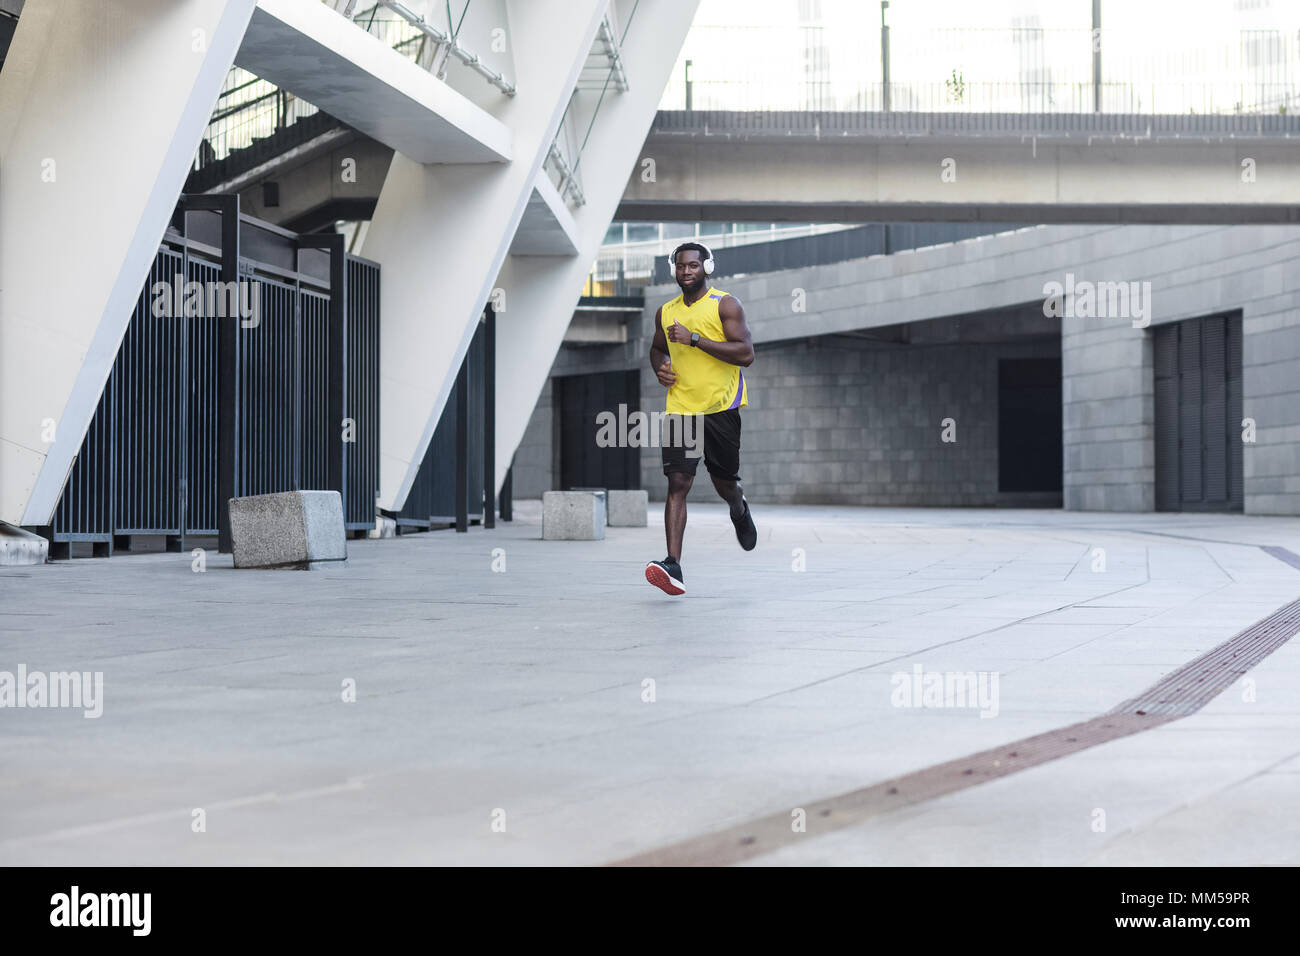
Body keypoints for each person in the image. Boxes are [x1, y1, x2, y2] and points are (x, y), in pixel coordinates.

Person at [644, 242, 757, 596]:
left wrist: (695, 339)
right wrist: (660, 368)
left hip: (721, 409)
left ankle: (738, 509)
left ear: (706, 267)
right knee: (678, 482)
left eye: (693, 266)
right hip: (681, 409)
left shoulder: (725, 304)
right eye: (680, 266)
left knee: (725, 484)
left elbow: (746, 353)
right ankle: (672, 564)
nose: (686, 272)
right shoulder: (665, 312)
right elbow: (658, 348)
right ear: (673, 270)